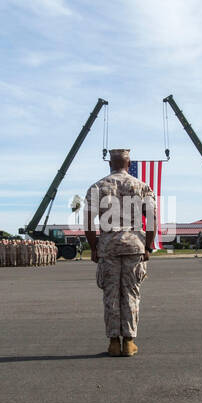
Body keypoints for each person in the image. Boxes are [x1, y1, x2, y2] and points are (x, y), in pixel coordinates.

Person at [85, 148, 155, 357]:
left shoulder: (97, 187)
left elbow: (88, 222)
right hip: (134, 245)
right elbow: (151, 218)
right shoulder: (142, 187)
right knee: (131, 294)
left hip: (108, 246)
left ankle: (114, 342)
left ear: (110, 164)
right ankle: (129, 343)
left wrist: (94, 247)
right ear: (129, 163)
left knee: (111, 295)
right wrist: (148, 246)